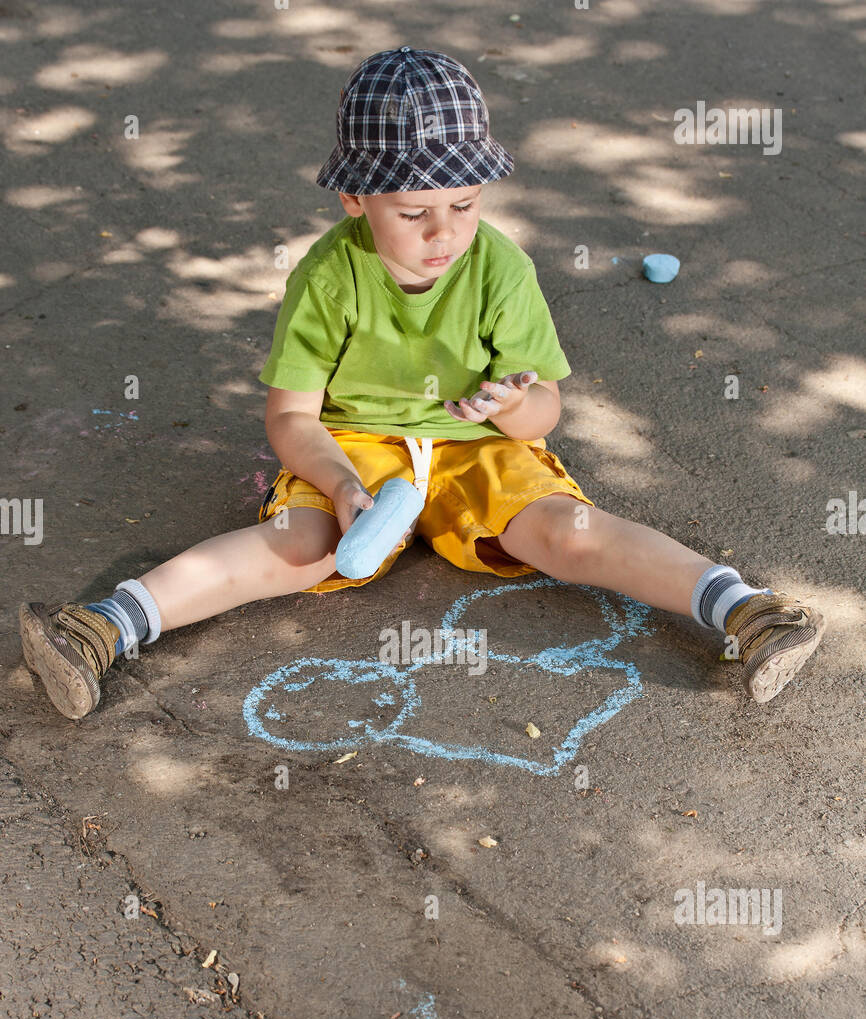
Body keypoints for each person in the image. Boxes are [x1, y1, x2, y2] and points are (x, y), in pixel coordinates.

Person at [19, 46, 824, 721]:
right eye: (412, 213)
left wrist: (516, 408)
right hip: (359, 448)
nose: (444, 235)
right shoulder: (329, 276)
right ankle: (101, 628)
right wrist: (336, 482)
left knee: (568, 534)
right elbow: (292, 416)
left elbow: (548, 408)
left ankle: (747, 610)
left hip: (477, 445)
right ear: (354, 197)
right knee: (301, 547)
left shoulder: (500, 266)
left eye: (465, 204)